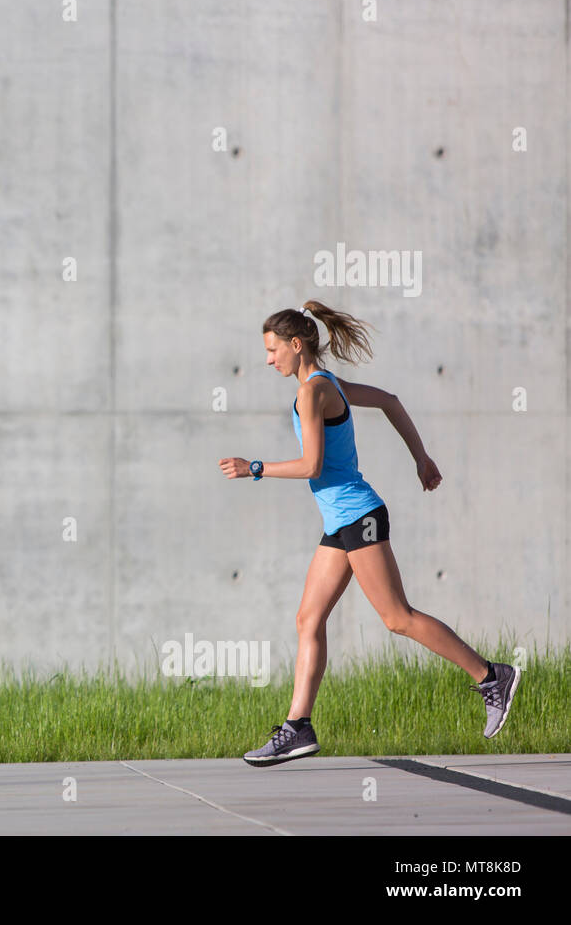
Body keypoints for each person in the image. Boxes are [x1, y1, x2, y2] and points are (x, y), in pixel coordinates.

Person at [218, 301, 520, 766]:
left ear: (296, 345)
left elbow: (312, 465)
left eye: (273, 350)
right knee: (308, 619)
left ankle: (490, 676)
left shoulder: (313, 392)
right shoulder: (327, 384)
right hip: (340, 523)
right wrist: (420, 457)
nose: (268, 359)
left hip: (359, 517)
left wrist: (254, 467)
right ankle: (298, 728)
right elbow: (391, 401)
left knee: (397, 617)